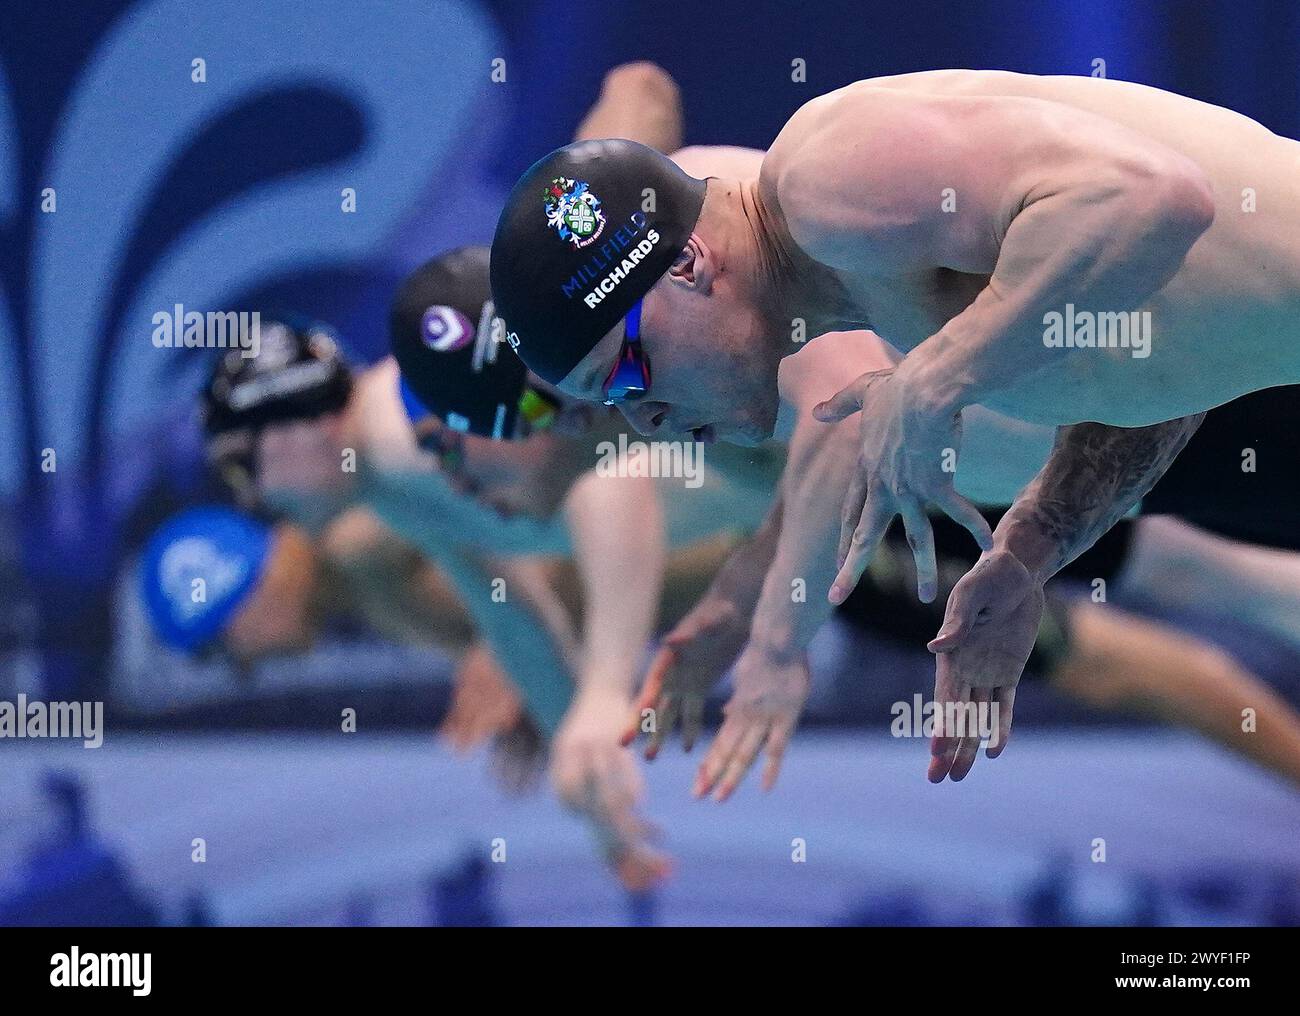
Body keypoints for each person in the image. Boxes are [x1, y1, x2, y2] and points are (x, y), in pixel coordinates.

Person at [489, 69, 1300, 778]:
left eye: (627, 374)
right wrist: (1031, 549)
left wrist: (935, 381)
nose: (647, 420)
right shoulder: (878, 296)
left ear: (687, 265)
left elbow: (1155, 197)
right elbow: (1162, 362)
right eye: (616, 407)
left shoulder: (829, 173)